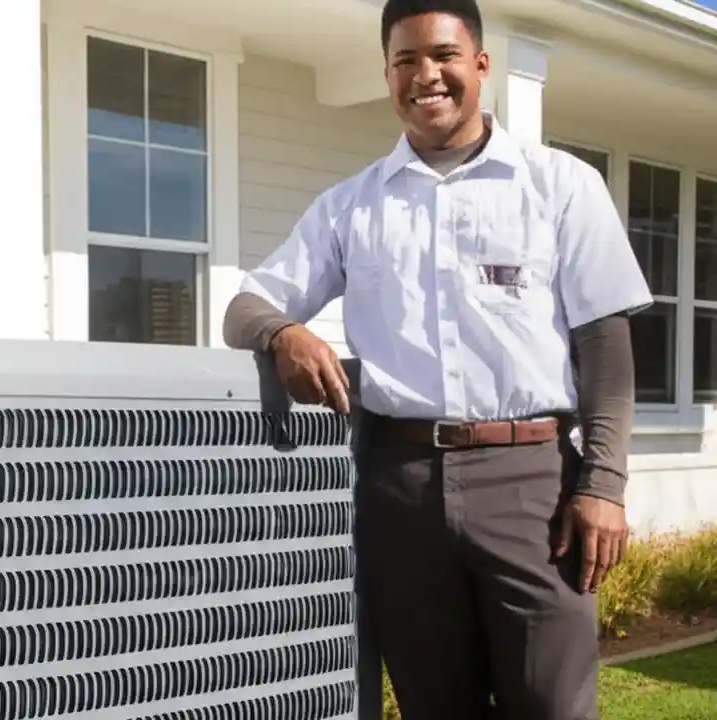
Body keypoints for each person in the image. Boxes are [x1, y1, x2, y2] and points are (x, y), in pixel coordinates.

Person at [223, 0, 652, 718]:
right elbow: (245, 305)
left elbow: (605, 348)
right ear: (388, 74)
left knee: (552, 704)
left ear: (480, 64)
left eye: (445, 55)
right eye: (405, 60)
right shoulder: (352, 207)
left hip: (534, 487)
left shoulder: (560, 186)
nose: (427, 75)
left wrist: (603, 485)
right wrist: (283, 334)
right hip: (401, 490)